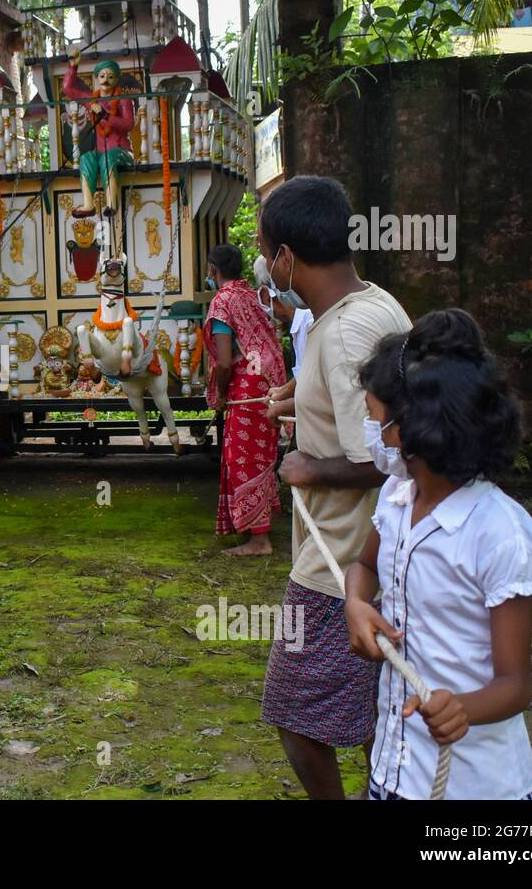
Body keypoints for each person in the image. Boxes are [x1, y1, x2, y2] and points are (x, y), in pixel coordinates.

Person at [256, 175, 411, 799]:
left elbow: (388, 453)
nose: (268, 266)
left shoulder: (345, 331)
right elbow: (372, 402)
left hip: (339, 560)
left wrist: (308, 468)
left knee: (292, 712)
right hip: (373, 555)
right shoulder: (371, 305)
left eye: (268, 253)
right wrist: (303, 396)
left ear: (288, 257)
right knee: (380, 705)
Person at [345, 309, 532, 800]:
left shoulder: (499, 532)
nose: (374, 436)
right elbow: (364, 566)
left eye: (375, 420)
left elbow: (516, 684)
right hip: (392, 772)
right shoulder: (396, 498)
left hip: (474, 787)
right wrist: (356, 603)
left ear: (413, 426)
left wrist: (464, 708)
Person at [204, 243, 286, 556]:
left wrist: (221, 393)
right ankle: (258, 530)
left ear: (213, 269)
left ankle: (260, 541)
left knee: (244, 459)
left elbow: (224, 361)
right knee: (261, 457)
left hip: (248, 389)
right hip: (270, 384)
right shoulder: (252, 295)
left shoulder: (223, 302)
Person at [63, 50, 135, 218]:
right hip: (100, 150)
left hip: (121, 151)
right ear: (97, 79)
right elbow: (68, 89)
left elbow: (129, 124)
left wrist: (106, 115)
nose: (106, 80)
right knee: (86, 158)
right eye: (102, 76)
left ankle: (112, 203)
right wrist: (73, 66)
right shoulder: (92, 99)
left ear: (116, 79)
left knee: (108, 158)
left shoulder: (124, 100)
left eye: (110, 76)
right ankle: (89, 204)